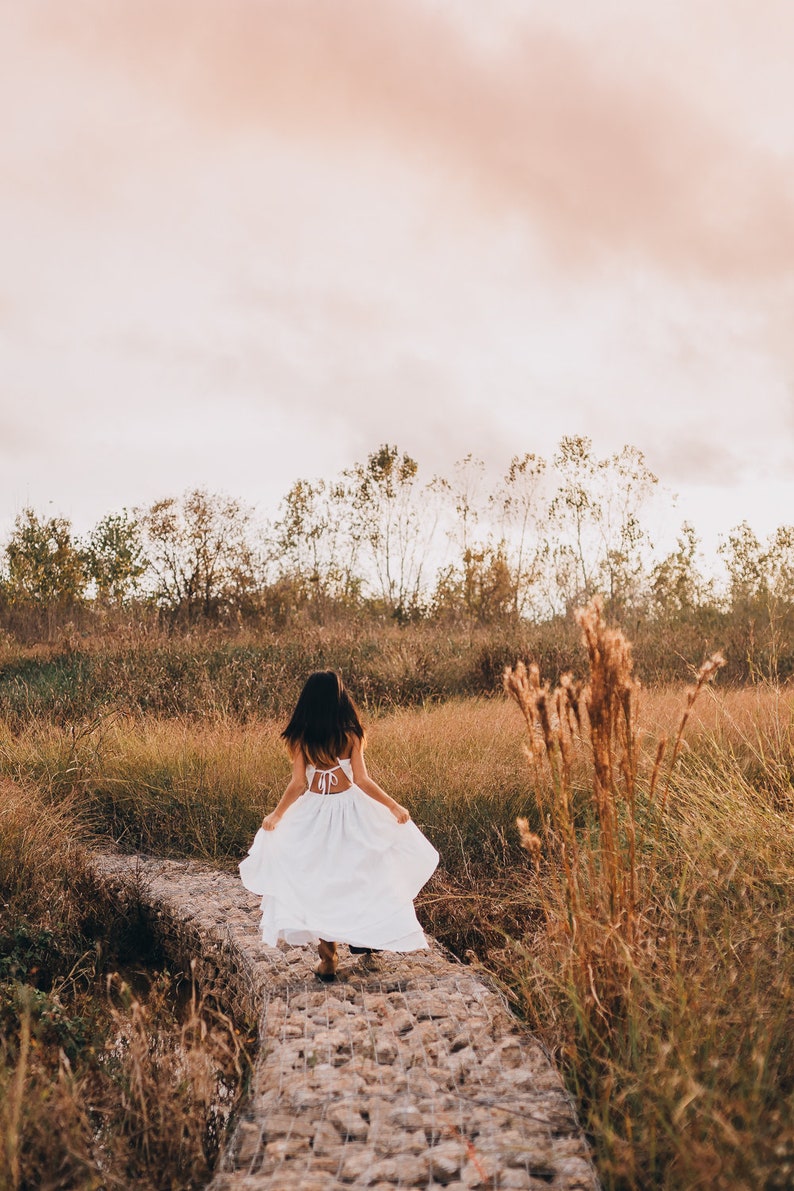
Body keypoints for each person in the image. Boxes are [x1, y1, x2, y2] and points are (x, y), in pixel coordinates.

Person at [239, 670, 439, 981]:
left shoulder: (301, 737)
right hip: (350, 812)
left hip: (314, 815)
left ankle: (328, 958)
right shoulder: (350, 735)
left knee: (319, 881)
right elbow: (361, 780)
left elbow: (297, 786)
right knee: (361, 875)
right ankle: (368, 950)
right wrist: (393, 806)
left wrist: (277, 814)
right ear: (338, 698)